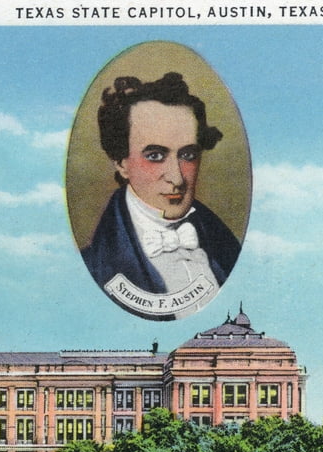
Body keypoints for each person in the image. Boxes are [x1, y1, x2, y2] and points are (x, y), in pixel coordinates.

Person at [80, 72, 241, 319]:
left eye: (188, 155)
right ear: (121, 163)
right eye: (155, 156)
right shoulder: (93, 267)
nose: (177, 179)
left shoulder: (227, 250)